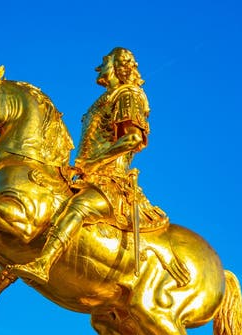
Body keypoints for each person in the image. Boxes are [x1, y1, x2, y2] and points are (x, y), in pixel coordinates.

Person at [16, 48, 187, 285]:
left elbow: (133, 138)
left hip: (111, 181)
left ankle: (43, 265)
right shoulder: (106, 98)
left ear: (119, 66)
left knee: (78, 209)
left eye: (105, 62)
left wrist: (94, 163)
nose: (100, 66)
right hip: (89, 177)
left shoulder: (129, 95)